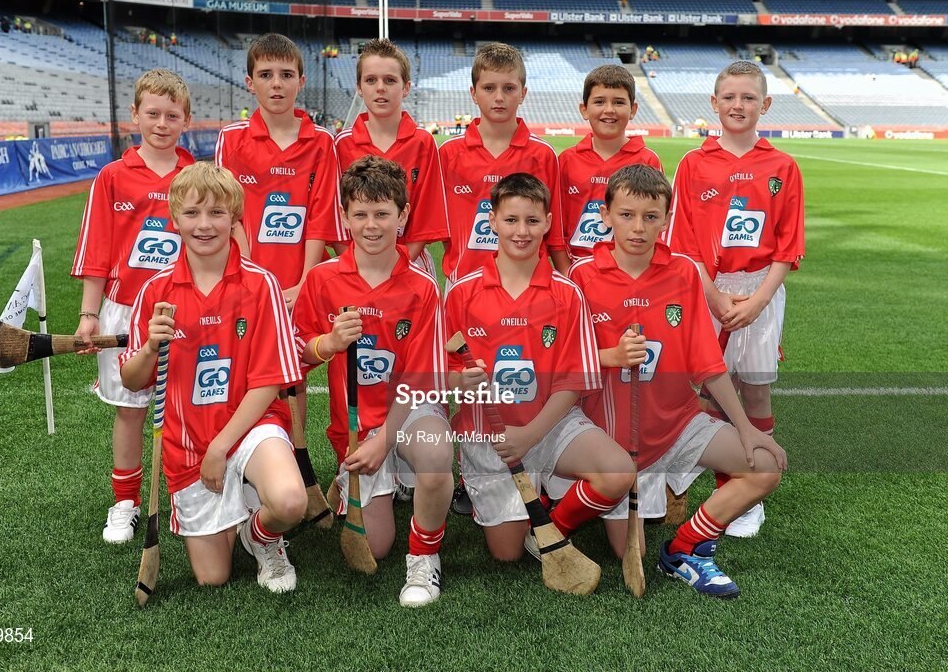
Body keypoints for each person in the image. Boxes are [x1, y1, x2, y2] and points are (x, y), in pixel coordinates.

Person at [569, 164, 787, 598]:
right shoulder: (580, 277)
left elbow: (706, 362)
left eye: (651, 217)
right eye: (627, 214)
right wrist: (610, 357)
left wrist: (745, 429)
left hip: (677, 424)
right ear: (606, 214)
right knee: (619, 549)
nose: (638, 227)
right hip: (612, 435)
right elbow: (567, 363)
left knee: (765, 467)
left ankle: (686, 548)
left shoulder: (684, 272)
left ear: (666, 221)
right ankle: (559, 518)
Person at [120, 162, 305, 591]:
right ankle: (241, 508)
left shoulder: (262, 285)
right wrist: (150, 347)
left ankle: (262, 536)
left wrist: (222, 447)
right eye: (192, 214)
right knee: (212, 578)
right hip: (187, 442)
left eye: (217, 213)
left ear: (235, 219)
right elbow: (132, 381)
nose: (204, 225)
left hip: (250, 426)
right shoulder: (155, 291)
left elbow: (268, 382)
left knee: (291, 501)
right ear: (174, 219)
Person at [443, 173, 635, 563]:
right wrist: (461, 381)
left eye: (532, 221)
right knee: (506, 555)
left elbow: (573, 380)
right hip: (491, 435)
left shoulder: (567, 292)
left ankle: (554, 520)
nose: (521, 231)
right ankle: (532, 494)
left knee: (618, 472)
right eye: (510, 220)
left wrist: (531, 434)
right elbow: (444, 376)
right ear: (491, 221)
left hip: (551, 424)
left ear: (548, 222)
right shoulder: (462, 292)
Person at [293, 156, 452, 607]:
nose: (371, 225)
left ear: (403, 216)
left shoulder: (422, 288)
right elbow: (294, 360)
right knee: (377, 546)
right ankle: (382, 481)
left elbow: (419, 379)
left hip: (407, 411)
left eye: (383, 213)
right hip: (355, 424)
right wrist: (327, 343)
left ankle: (424, 559)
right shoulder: (322, 280)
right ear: (343, 217)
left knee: (437, 454)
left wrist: (385, 439)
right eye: (360, 214)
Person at [664, 60, 804, 538]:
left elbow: (788, 247)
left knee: (755, 387)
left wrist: (759, 301)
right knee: (700, 387)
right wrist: (714, 294)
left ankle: (744, 493)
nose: (738, 105)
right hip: (705, 286)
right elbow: (681, 240)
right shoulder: (693, 163)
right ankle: (682, 473)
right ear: (714, 104)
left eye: (748, 97)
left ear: (764, 105)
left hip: (760, 287)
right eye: (729, 97)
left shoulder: (782, 166)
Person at [72, 69, 194, 543]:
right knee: (130, 409)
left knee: (189, 406)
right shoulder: (113, 177)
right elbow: (97, 251)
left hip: (185, 309)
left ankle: (188, 492)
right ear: (135, 115)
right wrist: (89, 314)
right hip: (123, 310)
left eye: (172, 115)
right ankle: (125, 501)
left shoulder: (196, 177)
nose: (162, 123)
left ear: (186, 120)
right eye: (153, 113)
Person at [215, 32, 346, 312]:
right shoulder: (231, 139)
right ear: (250, 83)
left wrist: (304, 284)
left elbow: (320, 220)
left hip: (301, 283)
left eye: (286, 75)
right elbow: (227, 214)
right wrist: (249, 276)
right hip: (243, 278)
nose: (276, 84)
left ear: (300, 82)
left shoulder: (322, 142)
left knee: (301, 356)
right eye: (265, 75)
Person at [438, 42, 568, 287]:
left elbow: (555, 233)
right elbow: (440, 227)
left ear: (523, 93)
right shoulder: (448, 153)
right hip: (463, 284)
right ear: (473, 93)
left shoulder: (542, 155)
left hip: (528, 285)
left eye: (509, 88)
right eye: (489, 88)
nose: (499, 97)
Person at [335, 38, 449, 278]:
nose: (380, 88)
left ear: (406, 87)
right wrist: (358, 264)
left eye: (389, 80)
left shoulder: (422, 142)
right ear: (359, 87)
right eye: (371, 80)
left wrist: (398, 263)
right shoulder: (342, 144)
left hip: (410, 262)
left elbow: (427, 216)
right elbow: (335, 216)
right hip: (354, 265)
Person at [558, 65, 662, 264]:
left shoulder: (648, 161)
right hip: (575, 269)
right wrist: (566, 271)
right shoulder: (566, 160)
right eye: (599, 102)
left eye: (619, 102)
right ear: (584, 109)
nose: (609, 110)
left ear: (633, 110)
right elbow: (555, 228)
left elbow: (655, 223)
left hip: (627, 269)